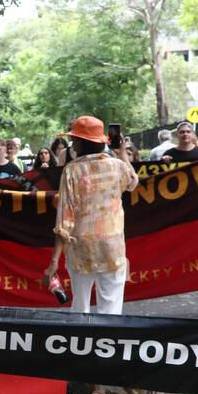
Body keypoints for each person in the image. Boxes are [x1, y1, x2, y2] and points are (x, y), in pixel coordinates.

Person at [46, 115, 138, 315]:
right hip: (112, 247)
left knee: (80, 307)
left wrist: (54, 259)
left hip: (80, 248)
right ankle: (109, 342)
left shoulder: (72, 170)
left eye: (74, 139)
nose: (73, 143)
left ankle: (81, 342)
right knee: (111, 308)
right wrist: (122, 154)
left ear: (80, 142)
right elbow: (132, 182)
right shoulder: (117, 166)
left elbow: (64, 218)